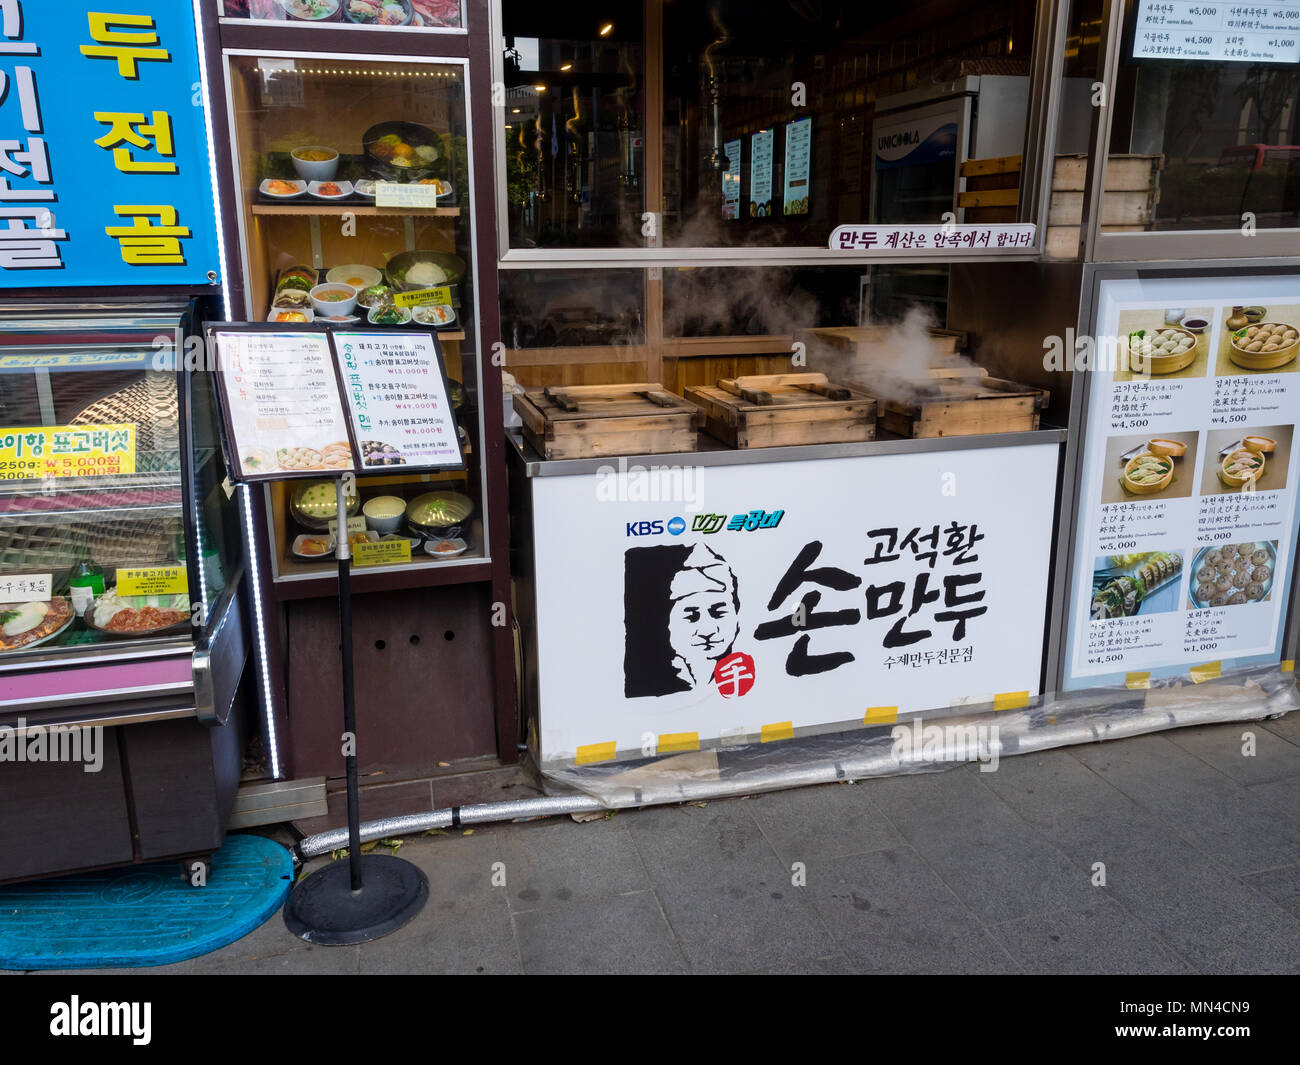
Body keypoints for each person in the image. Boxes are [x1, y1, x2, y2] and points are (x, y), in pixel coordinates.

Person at [624, 542, 740, 698]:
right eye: (691, 616)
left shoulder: (737, 675)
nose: (707, 629)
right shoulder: (648, 683)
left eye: (718, 613)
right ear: (667, 621)